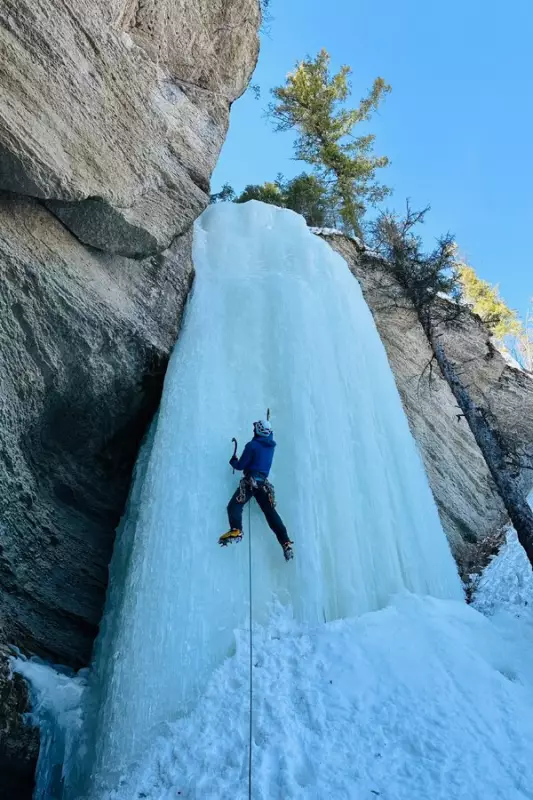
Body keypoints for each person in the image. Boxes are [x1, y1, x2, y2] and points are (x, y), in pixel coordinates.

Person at [219, 420, 294, 561]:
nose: (253, 429)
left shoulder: (252, 446)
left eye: (255, 428)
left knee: (234, 506)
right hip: (263, 484)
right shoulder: (271, 445)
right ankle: (285, 542)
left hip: (250, 482)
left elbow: (240, 465)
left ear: (257, 430)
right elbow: (268, 436)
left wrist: (233, 461)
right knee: (270, 513)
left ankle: (236, 530)